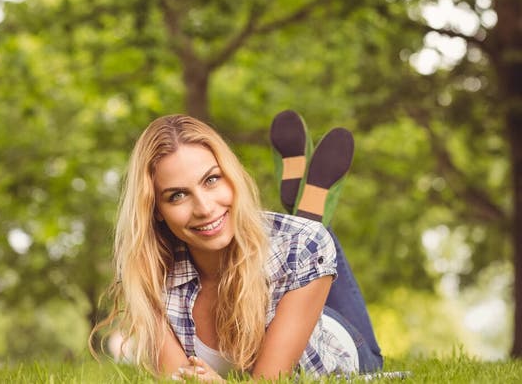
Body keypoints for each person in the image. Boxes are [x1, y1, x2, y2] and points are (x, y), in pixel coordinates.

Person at [92, 112, 383, 379]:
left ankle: (310, 213)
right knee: (302, 242)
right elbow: (180, 380)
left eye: (211, 179)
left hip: (339, 343)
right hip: (290, 263)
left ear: (232, 177)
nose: (204, 208)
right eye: (177, 195)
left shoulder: (302, 246)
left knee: (310, 241)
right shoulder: (147, 273)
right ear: (156, 209)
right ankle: (309, 208)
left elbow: (269, 380)